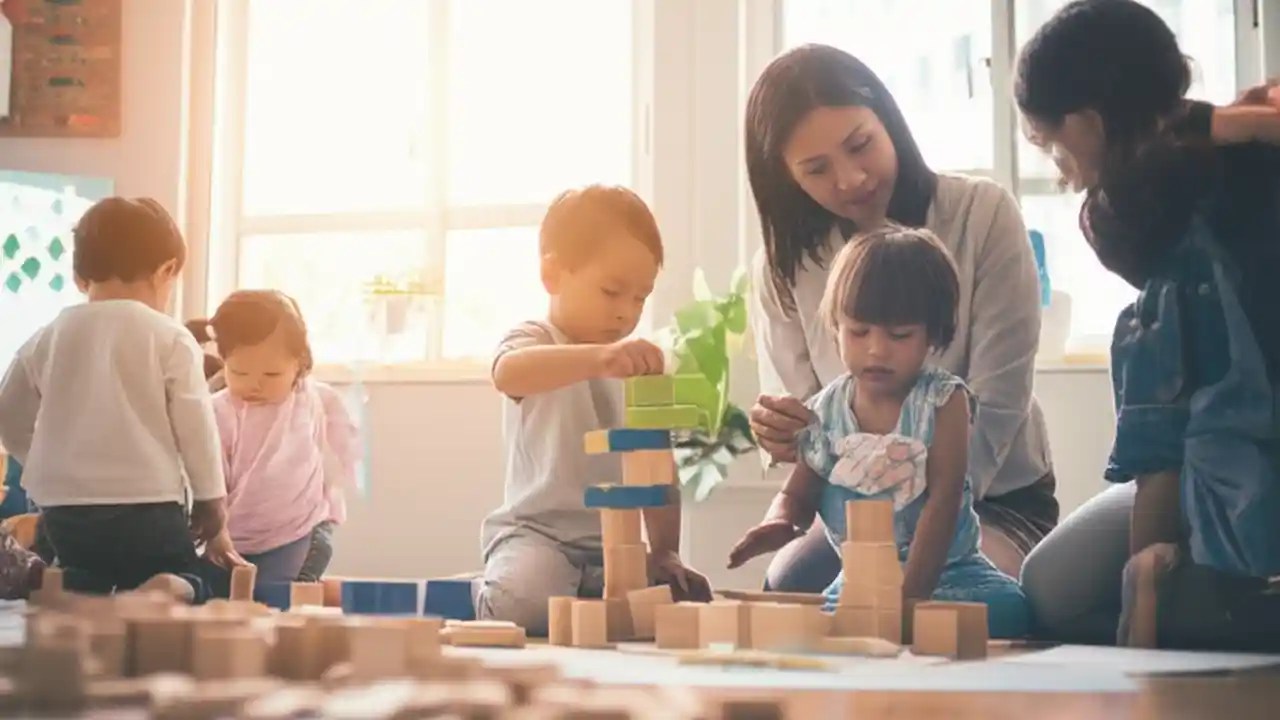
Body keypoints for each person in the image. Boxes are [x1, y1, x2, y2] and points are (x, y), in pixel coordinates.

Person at [1015, 0, 1280, 649]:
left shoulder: (1170, 226)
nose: (1059, 169)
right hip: (1228, 462)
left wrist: (1147, 580)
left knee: (1061, 596)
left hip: (1237, 464)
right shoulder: (1234, 150)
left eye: (1052, 145)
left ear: (1087, 125)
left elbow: (1162, 435)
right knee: (1055, 583)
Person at [743, 44, 1056, 591]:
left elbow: (999, 400)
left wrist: (927, 515)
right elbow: (814, 429)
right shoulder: (781, 267)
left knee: (954, 598)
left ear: (887, 118)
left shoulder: (981, 215)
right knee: (789, 588)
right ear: (785, 178)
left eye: (860, 145)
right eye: (816, 170)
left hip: (992, 499)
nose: (851, 180)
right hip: (857, 511)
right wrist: (784, 433)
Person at [730, 226, 1030, 637]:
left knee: (1011, 613)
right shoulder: (826, 411)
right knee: (831, 628)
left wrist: (909, 599)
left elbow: (942, 502)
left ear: (934, 336)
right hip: (859, 583)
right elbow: (799, 492)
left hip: (951, 575)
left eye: (900, 336)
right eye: (858, 332)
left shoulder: (944, 401)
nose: (876, 349)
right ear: (836, 328)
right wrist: (780, 521)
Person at [476, 185, 712, 636]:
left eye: (640, 298)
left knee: (670, 607)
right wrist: (597, 359)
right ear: (553, 274)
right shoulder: (537, 339)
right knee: (522, 604)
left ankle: (585, 592)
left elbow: (657, 469)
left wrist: (665, 551)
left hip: (613, 546)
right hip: (537, 536)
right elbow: (508, 374)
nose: (626, 313)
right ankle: (487, 589)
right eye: (611, 291)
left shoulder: (639, 365)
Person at [0, 197, 241, 601]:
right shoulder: (169, 336)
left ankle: (74, 605)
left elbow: (6, 412)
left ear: (79, 277)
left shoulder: (48, 336)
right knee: (184, 576)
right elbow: (196, 426)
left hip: (65, 504)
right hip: (147, 501)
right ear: (166, 271)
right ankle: (164, 588)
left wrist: (47, 455)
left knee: (82, 577)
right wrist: (211, 501)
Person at [195, 290, 359, 590]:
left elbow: (343, 453)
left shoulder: (313, 399)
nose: (254, 384)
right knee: (219, 600)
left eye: (272, 374)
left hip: (300, 529)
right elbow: (207, 477)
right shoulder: (218, 411)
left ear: (300, 364)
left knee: (280, 598)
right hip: (232, 535)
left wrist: (333, 496)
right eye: (239, 372)